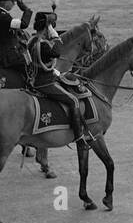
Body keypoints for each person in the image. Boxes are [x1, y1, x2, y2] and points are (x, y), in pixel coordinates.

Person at [29, 12, 90, 145]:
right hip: (44, 82)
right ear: (46, 29)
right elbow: (56, 52)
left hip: (35, 78)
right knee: (73, 100)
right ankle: (79, 136)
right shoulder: (43, 45)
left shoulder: (32, 40)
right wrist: (56, 37)